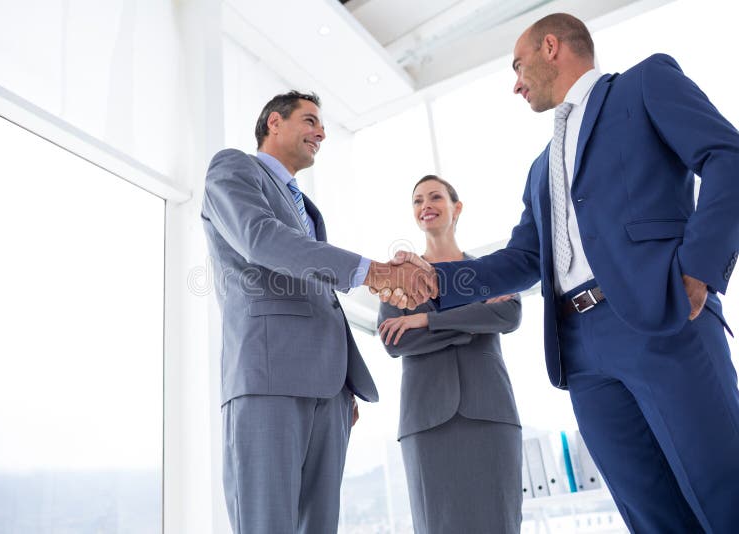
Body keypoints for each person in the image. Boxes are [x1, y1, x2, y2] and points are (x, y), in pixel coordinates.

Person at [384, 13, 739, 533]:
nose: (515, 82)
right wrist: (439, 283)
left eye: (518, 65)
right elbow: (524, 259)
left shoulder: (644, 85)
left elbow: (727, 155)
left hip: (661, 316)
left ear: (551, 47)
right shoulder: (539, 168)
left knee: (723, 490)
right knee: (651, 514)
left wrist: (699, 270)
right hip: (582, 353)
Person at [200, 90, 435, 534]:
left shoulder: (306, 207)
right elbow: (262, 240)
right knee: (266, 524)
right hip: (268, 378)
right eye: (310, 121)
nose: (321, 132)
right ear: (274, 122)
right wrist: (373, 272)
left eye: (321, 125)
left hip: (328, 392)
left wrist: (340, 382)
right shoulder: (233, 168)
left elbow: (315, 288)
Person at [377, 175, 523, 534]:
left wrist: (427, 319)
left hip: (491, 413)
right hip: (426, 418)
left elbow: (509, 314)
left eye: (435, 197)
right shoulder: (398, 277)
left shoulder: (489, 270)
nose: (425, 205)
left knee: (500, 523)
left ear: (456, 208)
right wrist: (473, 322)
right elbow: (395, 341)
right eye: (417, 200)